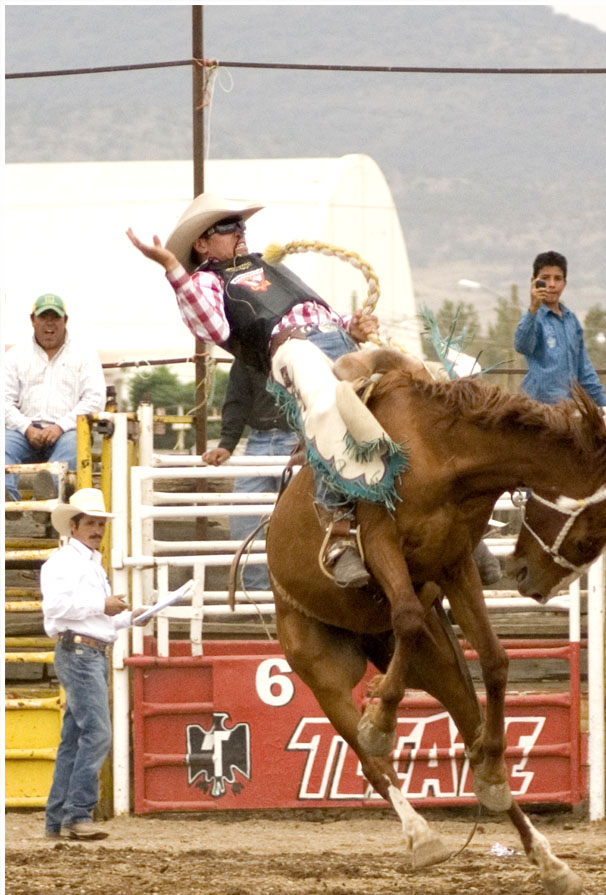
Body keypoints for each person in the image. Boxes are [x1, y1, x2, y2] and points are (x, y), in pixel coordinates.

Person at [127, 193, 403, 589]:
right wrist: (174, 268)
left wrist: (350, 325)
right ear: (201, 245)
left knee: (409, 383)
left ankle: (435, 507)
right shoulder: (206, 279)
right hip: (290, 350)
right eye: (226, 227)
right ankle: (338, 536)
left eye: (239, 225)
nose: (239, 231)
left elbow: (314, 310)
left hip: (335, 340)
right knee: (326, 408)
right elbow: (212, 328)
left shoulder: (268, 266)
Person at [41, 488, 152, 840]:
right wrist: (102, 606)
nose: (98, 530)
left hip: (85, 651)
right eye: (91, 523)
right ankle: (76, 813)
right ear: (73, 526)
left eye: (100, 524)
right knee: (96, 733)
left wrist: (129, 617)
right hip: (81, 655)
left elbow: (91, 616)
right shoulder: (63, 563)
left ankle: (59, 818)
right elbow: (56, 610)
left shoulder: (84, 562)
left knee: (75, 738)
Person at [202, 358, 297, 590]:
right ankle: (257, 596)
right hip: (260, 439)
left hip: (298, 438)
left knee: (303, 518)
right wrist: (227, 443)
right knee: (243, 518)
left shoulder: (304, 346)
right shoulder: (247, 357)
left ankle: (299, 594)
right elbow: (236, 401)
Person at [4, 294, 106, 501]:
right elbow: (3, 400)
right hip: (23, 431)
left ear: (65, 321)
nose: (49, 323)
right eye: (43, 317)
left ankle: (47, 497)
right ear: (33, 320)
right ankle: (6, 497)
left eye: (55, 317)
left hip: (68, 431)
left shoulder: (85, 354)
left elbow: (95, 399)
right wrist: (26, 427)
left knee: (75, 445)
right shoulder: (15, 355)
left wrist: (59, 427)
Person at [513, 251, 606, 407]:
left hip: (567, 409)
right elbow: (521, 346)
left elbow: (585, 372)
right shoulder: (533, 317)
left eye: (557, 279)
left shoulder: (571, 321)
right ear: (534, 282)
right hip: (536, 409)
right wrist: (533, 308)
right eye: (545, 279)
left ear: (564, 283)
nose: (551, 284)